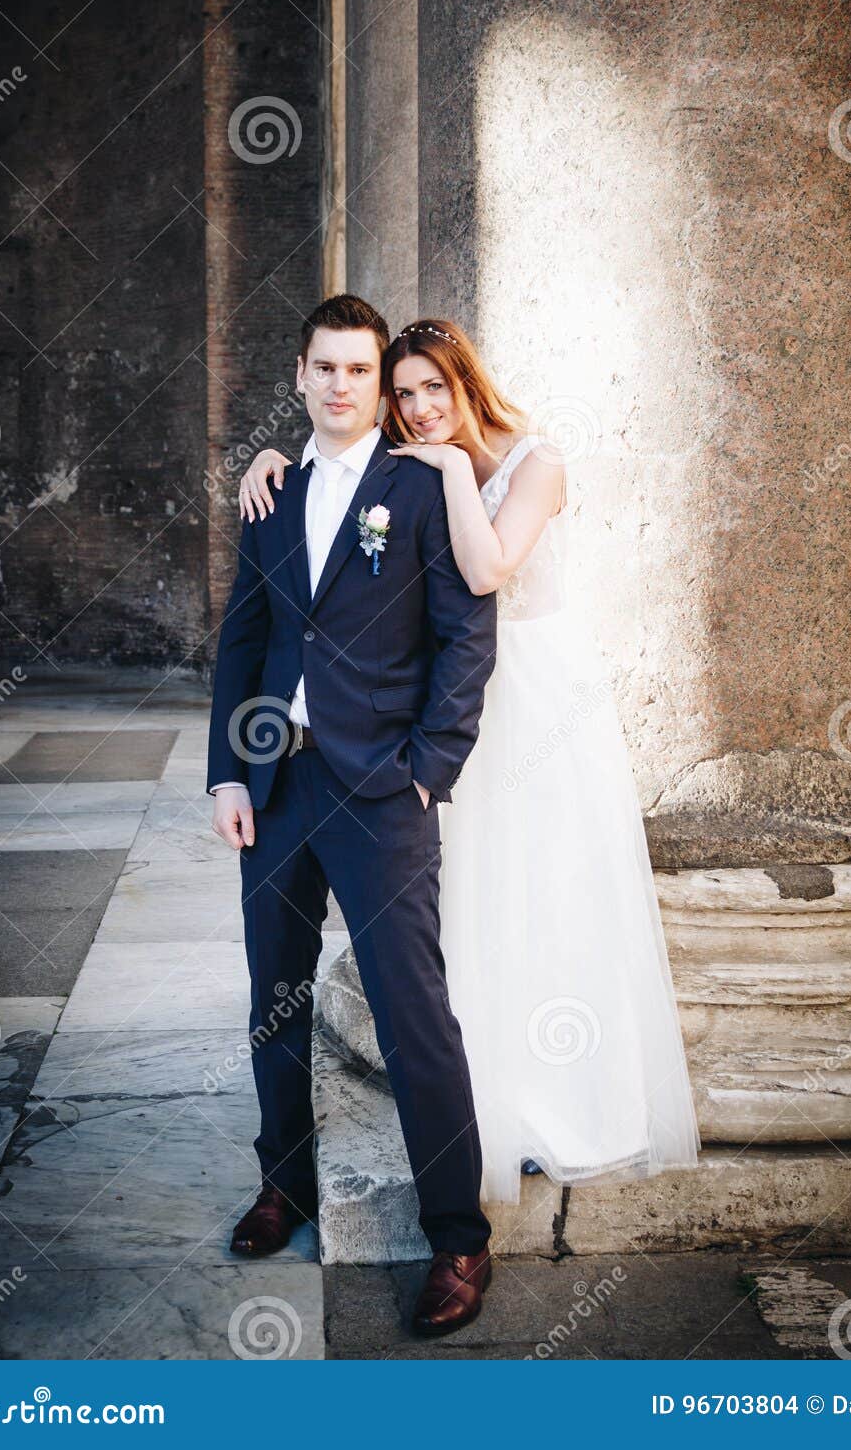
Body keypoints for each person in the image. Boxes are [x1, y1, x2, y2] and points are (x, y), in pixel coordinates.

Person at [237, 315, 702, 1210]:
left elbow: (484, 575)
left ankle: (571, 1102)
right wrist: (272, 459)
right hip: (426, 725)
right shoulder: (386, 469)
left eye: (428, 390)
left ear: (464, 383)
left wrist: (452, 468)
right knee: (477, 910)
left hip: (533, 705)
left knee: (553, 897)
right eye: (402, 394)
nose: (415, 409)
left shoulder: (529, 463)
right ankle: (494, 1100)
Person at [208, 294, 497, 1338]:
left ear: (381, 385)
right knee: (271, 998)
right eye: (322, 368)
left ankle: (457, 1235)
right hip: (276, 783)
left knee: (413, 1010)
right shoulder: (271, 493)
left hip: (383, 791)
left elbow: (466, 635)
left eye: (358, 371)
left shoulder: (415, 487)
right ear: (299, 377)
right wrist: (225, 776)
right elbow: (244, 640)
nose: (340, 386)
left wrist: (431, 766)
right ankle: (282, 1183)